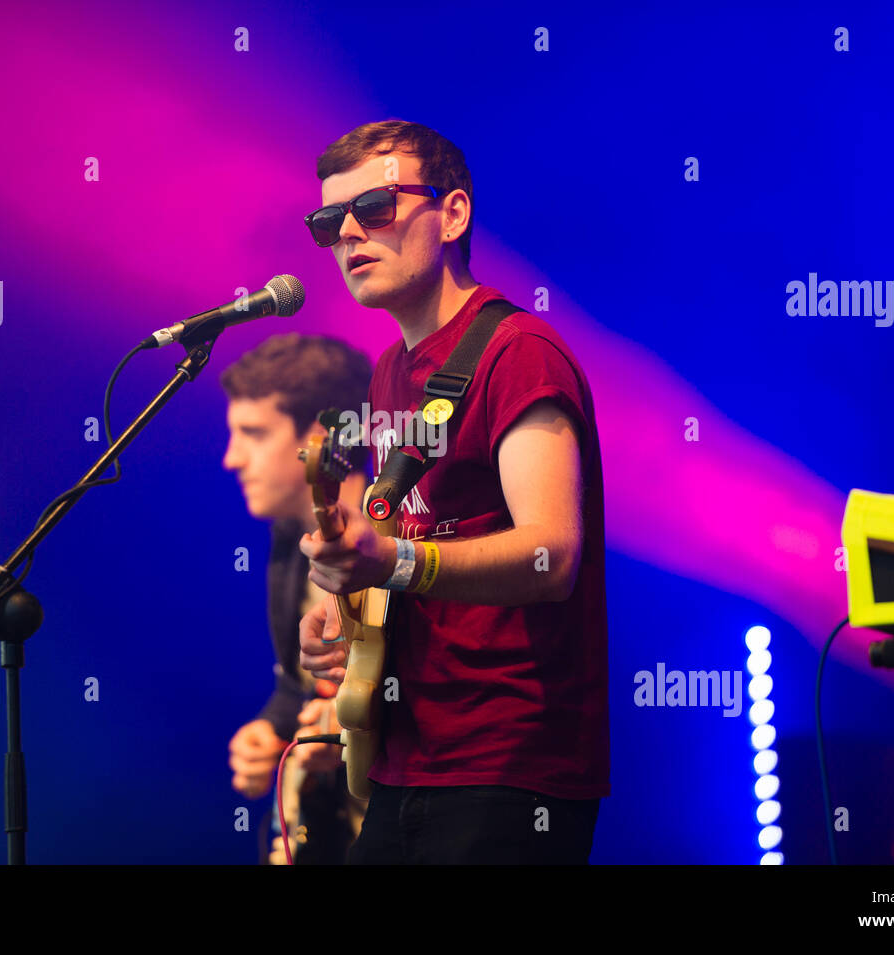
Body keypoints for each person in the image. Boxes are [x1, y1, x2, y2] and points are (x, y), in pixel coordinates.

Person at [297, 120, 610, 864]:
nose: (346, 233)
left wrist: (396, 562)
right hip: (406, 755)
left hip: (510, 764)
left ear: (454, 214)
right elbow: (410, 534)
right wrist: (343, 613)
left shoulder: (518, 352)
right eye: (326, 221)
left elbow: (552, 553)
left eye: (373, 207)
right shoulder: (387, 373)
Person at [220, 332, 371, 864]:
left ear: (316, 440)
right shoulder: (289, 541)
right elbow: (297, 687)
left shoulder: (403, 538)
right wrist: (270, 732)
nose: (231, 459)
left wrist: (352, 732)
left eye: (253, 433)